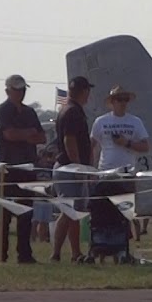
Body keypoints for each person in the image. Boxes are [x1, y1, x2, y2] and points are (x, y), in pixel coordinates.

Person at [0, 74, 46, 264]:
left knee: (26, 212)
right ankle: (0, 255)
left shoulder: (30, 112)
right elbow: (9, 135)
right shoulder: (1, 111)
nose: (21, 93)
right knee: (4, 214)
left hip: (27, 168)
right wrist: (27, 134)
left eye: (23, 89)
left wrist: (23, 135)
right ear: (8, 91)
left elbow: (41, 137)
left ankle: (24, 254)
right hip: (7, 169)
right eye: (17, 90)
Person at [90, 85, 151, 240]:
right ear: (112, 101)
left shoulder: (135, 121)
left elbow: (145, 146)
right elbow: (92, 146)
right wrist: (91, 169)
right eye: (119, 99)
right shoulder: (101, 121)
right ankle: (104, 245)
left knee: (125, 212)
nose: (122, 102)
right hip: (105, 172)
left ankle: (123, 246)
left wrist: (127, 143)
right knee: (104, 211)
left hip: (126, 173)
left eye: (125, 99)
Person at [51, 76, 94, 263]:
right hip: (69, 168)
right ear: (84, 92)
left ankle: (73, 253)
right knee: (69, 211)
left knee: (71, 212)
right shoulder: (73, 112)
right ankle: (61, 253)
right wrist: (78, 167)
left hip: (68, 167)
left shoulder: (68, 110)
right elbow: (70, 140)